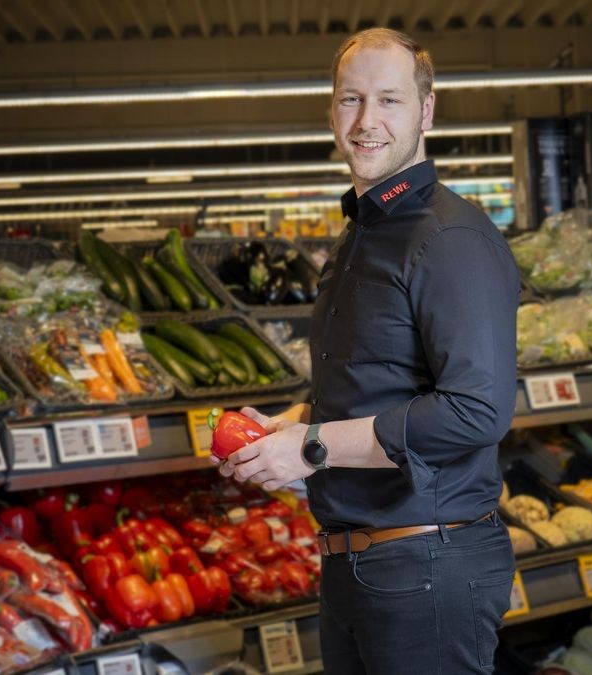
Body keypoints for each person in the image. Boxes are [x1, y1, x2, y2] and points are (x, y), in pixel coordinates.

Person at [214, 27, 520, 675]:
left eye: (389, 100)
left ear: (426, 112)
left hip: (426, 564)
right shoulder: (363, 234)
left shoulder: (449, 238)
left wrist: (312, 446)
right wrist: (295, 425)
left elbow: (476, 411)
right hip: (361, 561)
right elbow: (375, 379)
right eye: (351, 100)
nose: (366, 121)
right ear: (331, 110)